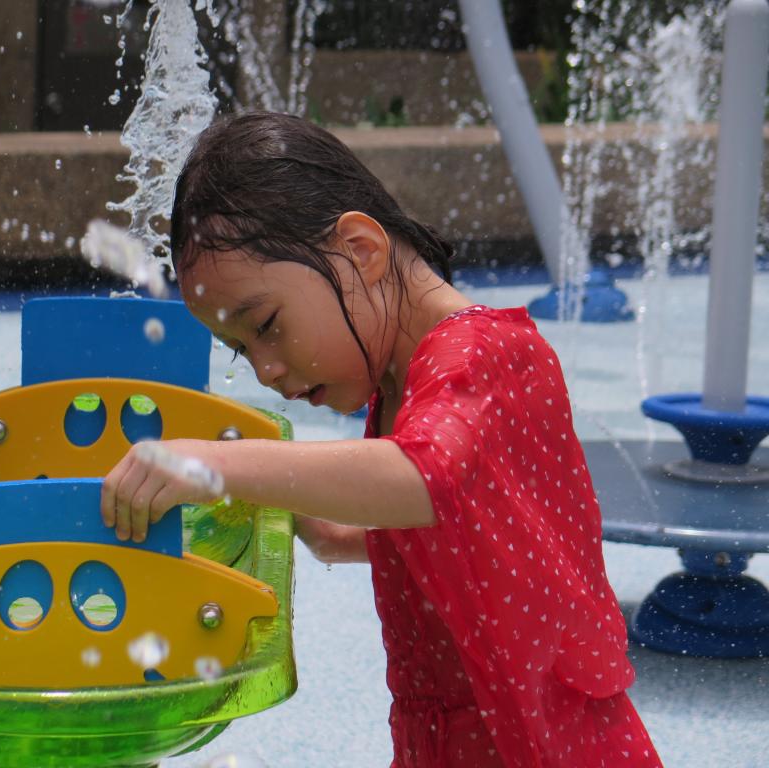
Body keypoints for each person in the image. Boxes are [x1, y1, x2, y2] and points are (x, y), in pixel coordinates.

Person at [100, 111, 663, 768]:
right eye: (240, 351)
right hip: (451, 737)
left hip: (549, 744)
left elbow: (425, 478)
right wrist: (314, 528)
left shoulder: (489, 356)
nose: (266, 369)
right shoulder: (403, 389)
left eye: (268, 325)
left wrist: (218, 464)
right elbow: (431, 531)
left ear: (361, 250)